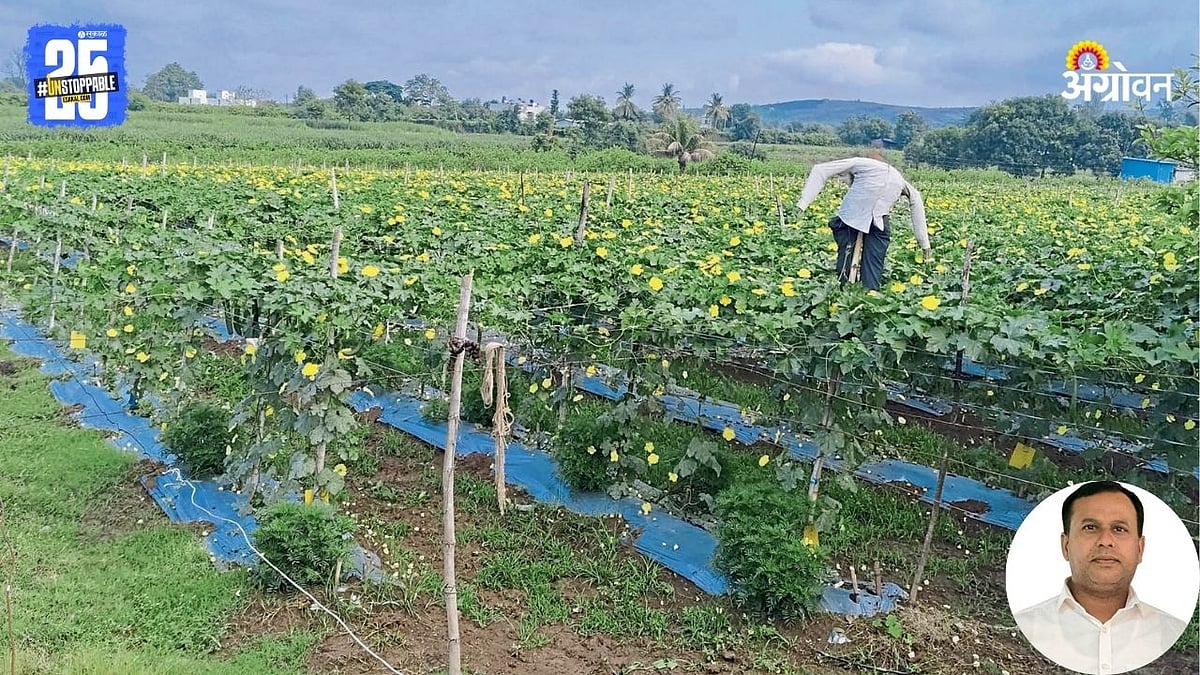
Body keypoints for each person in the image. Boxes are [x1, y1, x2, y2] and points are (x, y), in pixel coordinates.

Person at [1013, 481, 1189, 674]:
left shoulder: (1170, 632)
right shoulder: (1026, 627)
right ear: (1066, 546)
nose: (1105, 541)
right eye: (1090, 527)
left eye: (1119, 529)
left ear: (1139, 549)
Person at [795, 151, 931, 290]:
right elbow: (916, 199)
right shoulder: (899, 178)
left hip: (852, 216)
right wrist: (925, 244)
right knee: (873, 264)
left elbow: (821, 170)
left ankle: (843, 293)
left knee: (846, 260)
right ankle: (869, 297)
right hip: (879, 221)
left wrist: (802, 203)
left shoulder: (860, 163)